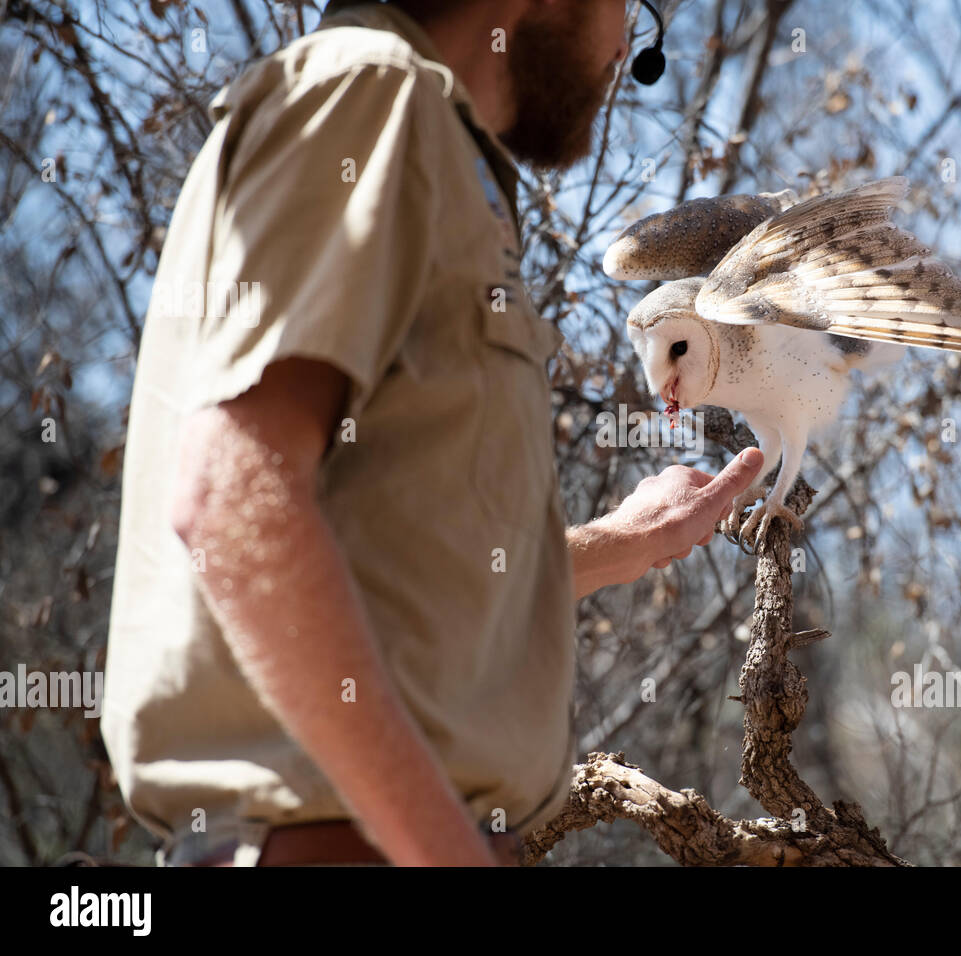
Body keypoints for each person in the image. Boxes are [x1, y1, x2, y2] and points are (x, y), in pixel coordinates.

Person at [101, 0, 763, 867]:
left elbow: (394, 568)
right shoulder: (368, 94)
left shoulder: (411, 131)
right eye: (634, 9)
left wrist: (628, 543)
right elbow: (233, 495)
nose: (628, 48)